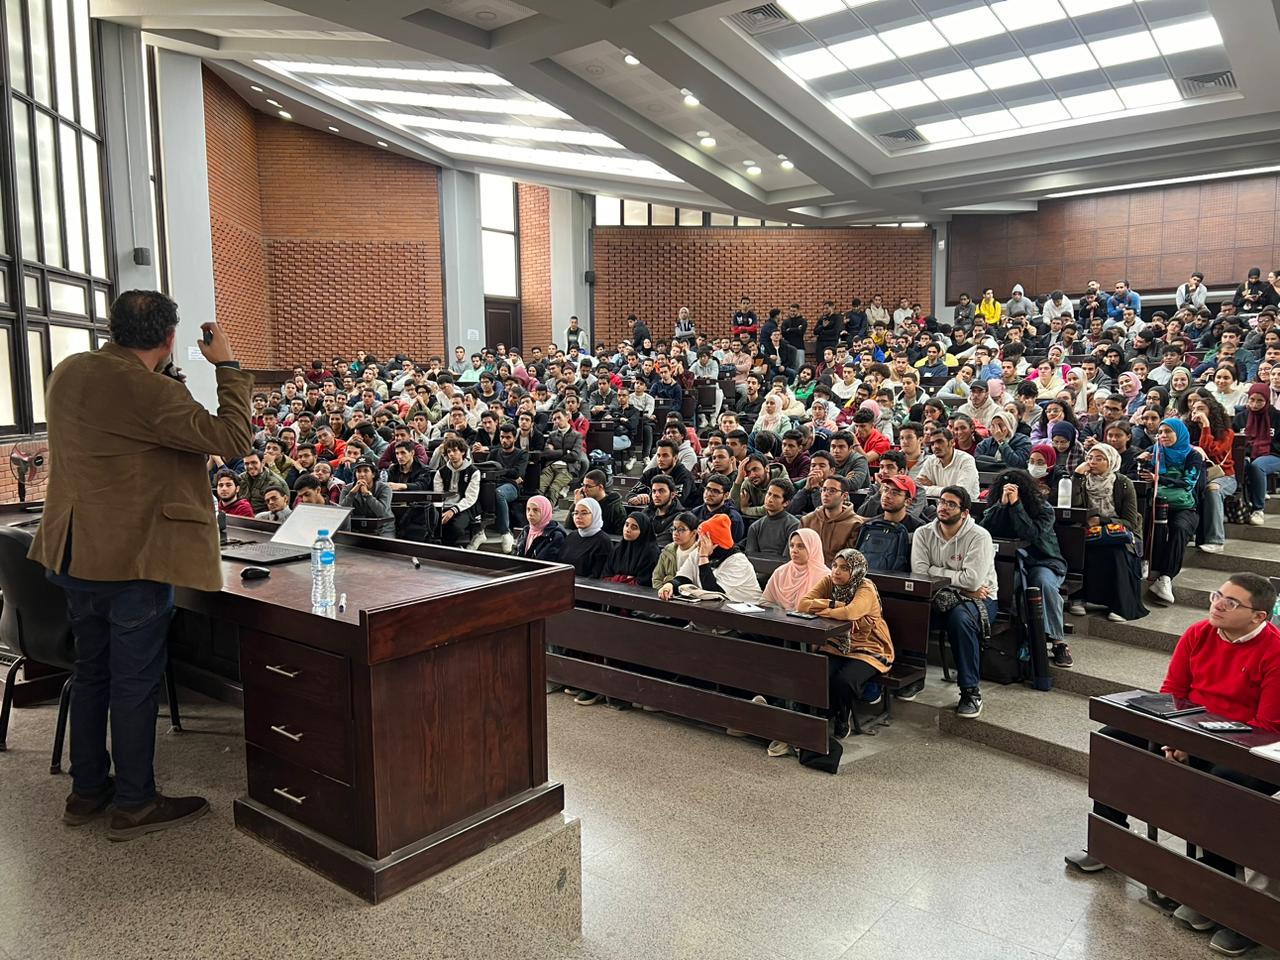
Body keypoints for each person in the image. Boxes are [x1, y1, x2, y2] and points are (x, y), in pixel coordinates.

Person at [32, 294, 253, 839]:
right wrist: (226, 366)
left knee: (91, 674)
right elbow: (232, 440)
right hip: (130, 560)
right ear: (170, 336)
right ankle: (135, 803)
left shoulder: (69, 370)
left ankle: (87, 792)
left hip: (74, 552)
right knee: (134, 683)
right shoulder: (149, 390)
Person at [1065, 573, 1280, 957]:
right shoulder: (1198, 633)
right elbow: (1171, 695)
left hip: (1238, 747)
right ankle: (1108, 841)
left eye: (1231, 602)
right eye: (1218, 596)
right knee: (1115, 738)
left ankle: (1215, 897)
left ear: (1259, 616)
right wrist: (1174, 739)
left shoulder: (1274, 651)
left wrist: (1197, 745)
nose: (1217, 604)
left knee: (1225, 783)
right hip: (1187, 730)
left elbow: (1266, 728)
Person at [911, 486, 998, 718]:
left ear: (965, 512)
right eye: (941, 502)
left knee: (960, 619)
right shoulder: (923, 533)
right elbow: (919, 573)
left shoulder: (979, 536)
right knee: (911, 610)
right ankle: (911, 676)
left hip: (984, 598)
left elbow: (974, 580)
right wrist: (959, 584)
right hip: (940, 595)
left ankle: (970, 691)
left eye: (951, 504)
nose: (943, 507)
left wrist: (937, 573)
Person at [796, 548, 894, 740]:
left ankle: (841, 716)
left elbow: (851, 613)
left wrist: (823, 607)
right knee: (816, 671)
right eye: (834, 566)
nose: (836, 572)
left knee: (844, 680)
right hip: (836, 644)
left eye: (844, 568)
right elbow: (803, 605)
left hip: (868, 647)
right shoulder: (829, 581)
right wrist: (835, 605)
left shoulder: (865, 588)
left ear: (856, 570)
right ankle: (819, 716)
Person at [980, 469, 1072, 668]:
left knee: (1041, 584)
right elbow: (985, 530)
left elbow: (1030, 533)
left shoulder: (1044, 509)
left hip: (1044, 562)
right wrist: (1001, 505)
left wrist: (1017, 505)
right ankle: (1021, 637)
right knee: (1005, 586)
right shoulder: (998, 507)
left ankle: (1058, 642)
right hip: (1010, 564)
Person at [1068, 443, 1148, 622]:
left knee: (1116, 552)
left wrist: (1102, 520)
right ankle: (1078, 598)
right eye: (1090, 458)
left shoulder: (1123, 483)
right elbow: (1073, 506)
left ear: (1110, 461)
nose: (1092, 462)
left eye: (1099, 459)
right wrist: (1077, 477)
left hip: (1118, 532)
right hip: (1088, 531)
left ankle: (1119, 605)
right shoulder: (1083, 480)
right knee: (1079, 548)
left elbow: (1129, 521)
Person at [1141, 418, 1204, 605]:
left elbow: (1188, 483)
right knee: (1148, 520)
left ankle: (1165, 578)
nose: (1163, 436)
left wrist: (1158, 478)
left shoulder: (1193, 455)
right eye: (1160, 432)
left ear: (1180, 433)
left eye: (1168, 431)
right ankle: (1145, 561)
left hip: (1184, 506)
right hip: (1157, 502)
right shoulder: (1154, 452)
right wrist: (1144, 462)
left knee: (1180, 528)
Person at [668, 514, 763, 603]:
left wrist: (703, 557)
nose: (697, 544)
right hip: (719, 609)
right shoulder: (698, 552)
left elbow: (713, 593)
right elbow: (683, 577)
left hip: (749, 612)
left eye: (702, 540)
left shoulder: (738, 562)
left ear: (715, 544)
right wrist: (670, 585)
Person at [1187, 393, 1236, 554]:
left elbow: (1211, 450)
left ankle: (1216, 540)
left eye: (1201, 409)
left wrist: (1206, 426)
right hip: (1197, 475)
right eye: (1194, 409)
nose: (1196, 412)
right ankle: (1190, 533)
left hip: (1224, 476)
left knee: (1212, 489)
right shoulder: (1189, 428)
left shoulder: (1227, 432)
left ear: (1212, 412)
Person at [1236, 381, 1280, 525]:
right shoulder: (1241, 417)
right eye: (1252, 400)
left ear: (1267, 400)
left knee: (1257, 466)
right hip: (1248, 454)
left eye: (1260, 400)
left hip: (1274, 454)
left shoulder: (1276, 417)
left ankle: (1258, 509)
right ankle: (1242, 503)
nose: (1255, 404)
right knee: (1244, 463)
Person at [430, 439, 480, 547]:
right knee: (433, 524)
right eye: (448, 452)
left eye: (455, 450)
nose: (451, 454)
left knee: (456, 528)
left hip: (464, 508)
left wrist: (453, 510)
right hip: (444, 506)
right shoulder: (441, 471)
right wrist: (440, 510)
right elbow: (438, 494)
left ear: (462, 452)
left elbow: (470, 497)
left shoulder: (473, 471)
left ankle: (448, 549)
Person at [802, 476, 862, 563]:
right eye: (824, 489)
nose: (826, 494)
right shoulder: (807, 520)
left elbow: (847, 561)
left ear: (844, 496)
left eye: (832, 491)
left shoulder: (855, 524)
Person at [743, 478, 801, 560]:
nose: (770, 499)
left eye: (776, 496)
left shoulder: (794, 525)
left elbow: (787, 559)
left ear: (786, 503)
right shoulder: (755, 526)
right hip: (757, 569)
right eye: (769, 494)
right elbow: (750, 556)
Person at [915, 428, 980, 498]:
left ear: (952, 442)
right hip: (937, 505)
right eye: (932, 444)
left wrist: (932, 487)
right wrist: (948, 490)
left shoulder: (966, 460)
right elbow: (918, 488)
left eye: (940, 441)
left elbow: (960, 492)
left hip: (965, 506)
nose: (935, 446)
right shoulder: (931, 460)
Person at [340, 457, 395, 537]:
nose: (362, 474)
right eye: (358, 471)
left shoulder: (385, 488)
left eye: (366, 471)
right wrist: (351, 494)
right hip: (357, 529)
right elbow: (342, 512)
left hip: (382, 529)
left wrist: (367, 495)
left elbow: (382, 512)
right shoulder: (348, 489)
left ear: (373, 474)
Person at [603, 513, 661, 586]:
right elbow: (605, 577)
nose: (628, 530)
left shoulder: (651, 553)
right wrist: (626, 578)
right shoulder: (618, 548)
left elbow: (643, 583)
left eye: (634, 527)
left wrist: (617, 578)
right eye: (626, 525)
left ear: (643, 531)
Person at [654, 512, 700, 594]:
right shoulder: (668, 550)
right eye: (674, 529)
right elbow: (657, 578)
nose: (675, 533)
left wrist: (669, 580)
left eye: (681, 530)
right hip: (667, 596)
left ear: (693, 533)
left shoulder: (700, 552)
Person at [516, 495, 566, 561]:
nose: (530, 514)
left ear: (545, 512)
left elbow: (545, 561)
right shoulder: (526, 530)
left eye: (535, 510)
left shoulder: (555, 535)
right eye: (528, 509)